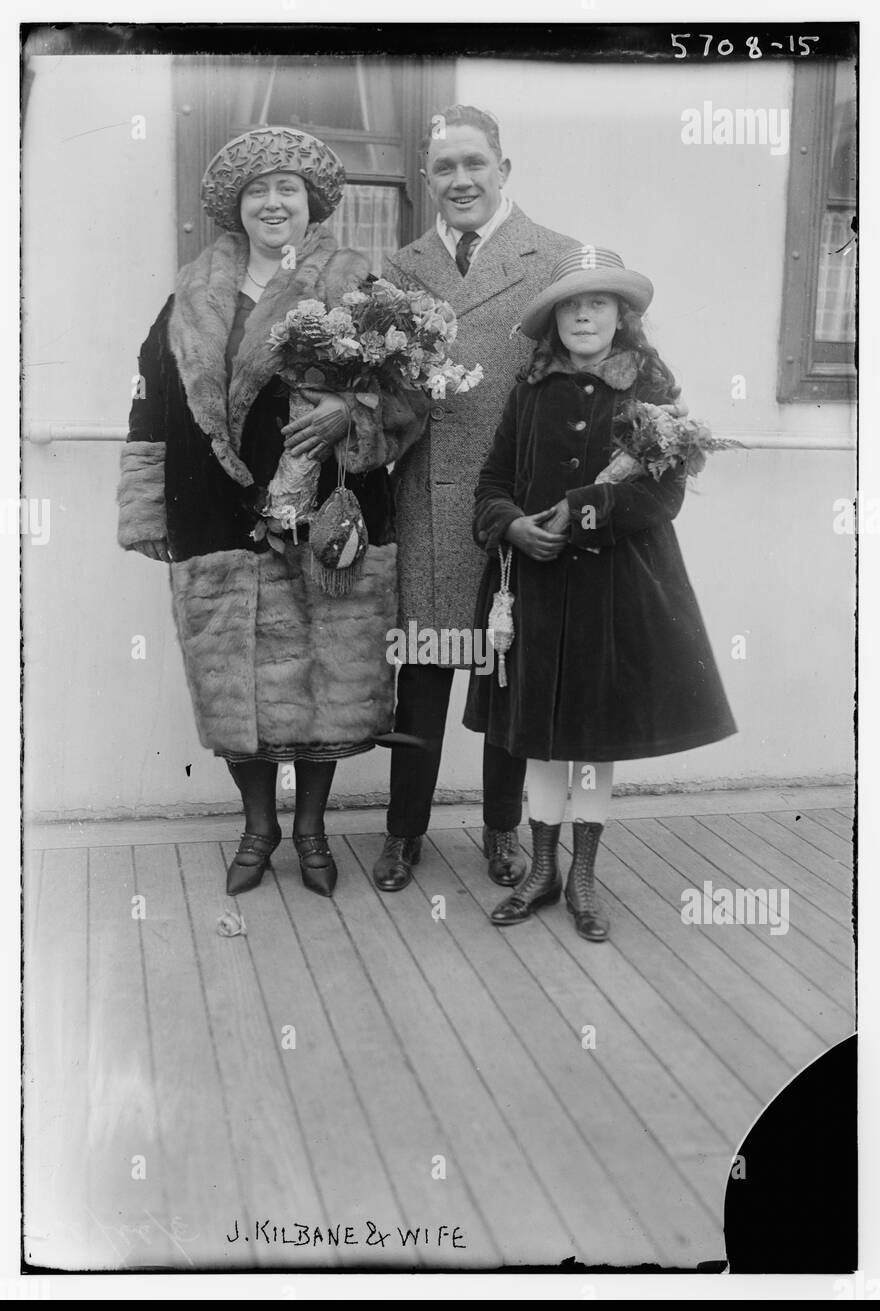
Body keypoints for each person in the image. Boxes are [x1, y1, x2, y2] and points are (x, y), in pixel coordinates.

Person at [117, 126, 424, 899]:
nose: (273, 202)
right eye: (258, 191)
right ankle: (259, 829)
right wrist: (149, 511)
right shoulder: (187, 299)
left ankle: (313, 832)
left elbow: (411, 397)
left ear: (312, 202)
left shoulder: (360, 285)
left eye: (287, 188)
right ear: (238, 209)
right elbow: (151, 407)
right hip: (214, 510)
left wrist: (349, 416)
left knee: (328, 670)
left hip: (326, 511)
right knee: (236, 680)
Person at [463, 246, 737, 940]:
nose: (585, 314)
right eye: (572, 304)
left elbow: (663, 494)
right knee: (542, 737)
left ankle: (582, 876)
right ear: (555, 320)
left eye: (599, 302)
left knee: (592, 735)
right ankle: (542, 869)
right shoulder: (529, 393)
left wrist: (583, 509)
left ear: (622, 317)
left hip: (613, 592)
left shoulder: (650, 394)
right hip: (536, 589)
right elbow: (491, 484)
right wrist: (516, 527)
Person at [372, 105, 580, 894]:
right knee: (423, 672)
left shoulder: (559, 259)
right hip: (427, 501)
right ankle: (402, 834)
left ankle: (501, 831)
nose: (461, 180)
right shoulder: (398, 269)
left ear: (503, 169)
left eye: (474, 164)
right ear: (426, 180)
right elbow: (382, 406)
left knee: (506, 674)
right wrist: (404, 404)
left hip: (516, 506)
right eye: (444, 169)